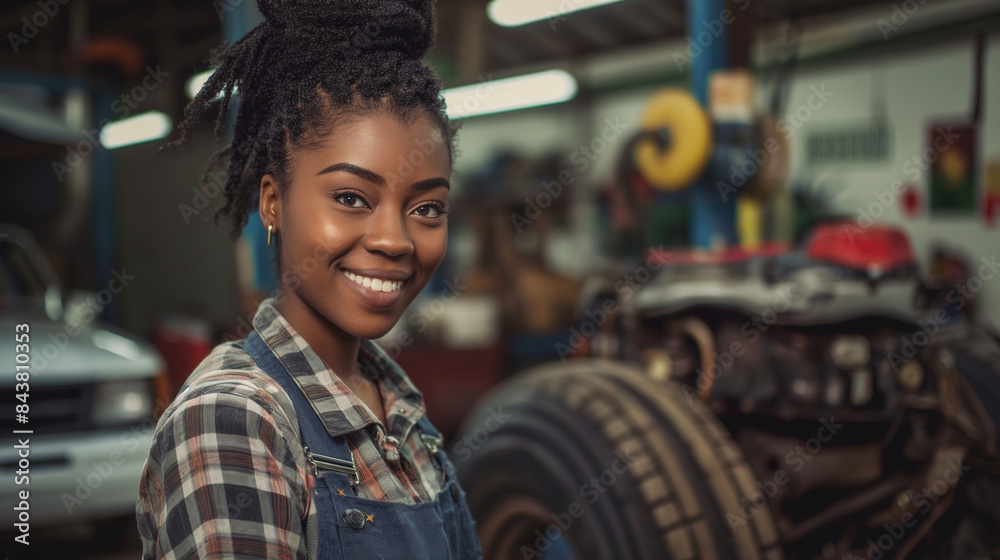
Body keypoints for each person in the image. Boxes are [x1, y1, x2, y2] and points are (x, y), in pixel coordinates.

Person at [135, 0, 482, 558]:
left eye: (427, 209)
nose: (395, 239)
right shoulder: (234, 419)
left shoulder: (400, 411)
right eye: (351, 198)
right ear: (273, 202)